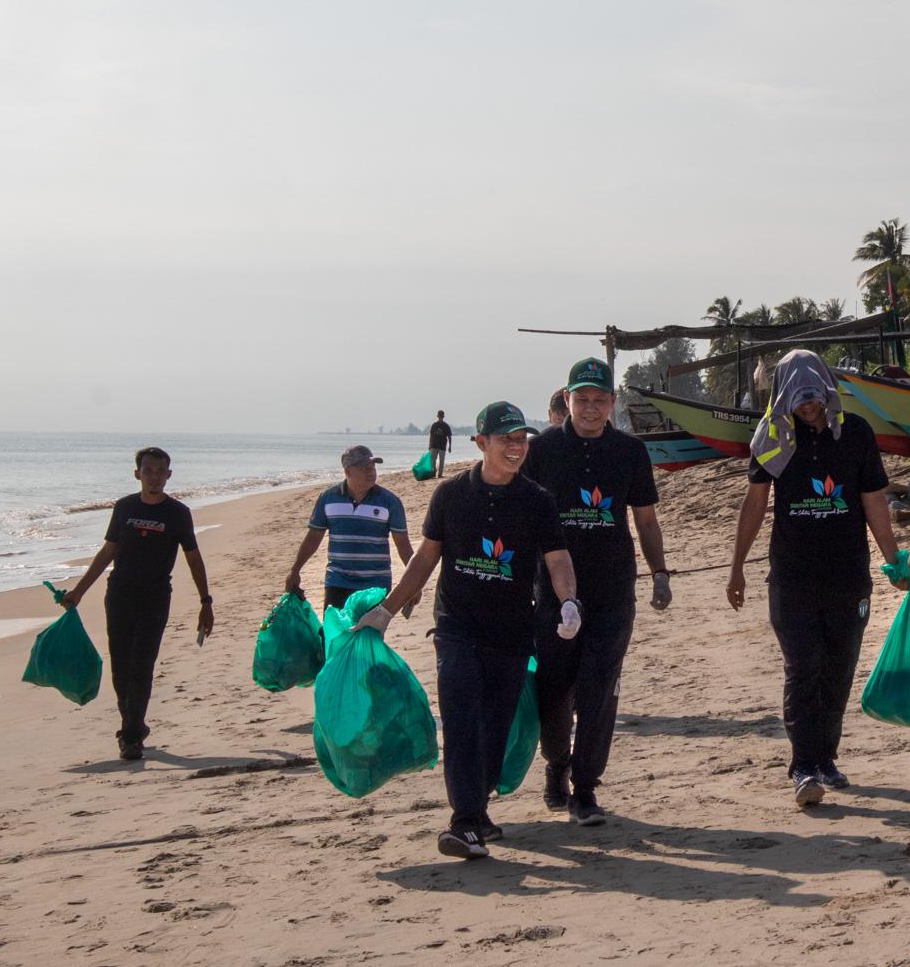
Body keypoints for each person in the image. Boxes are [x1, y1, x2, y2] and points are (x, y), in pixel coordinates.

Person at [352, 402, 581, 860]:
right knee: (460, 723)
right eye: (506, 440)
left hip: (512, 633)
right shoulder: (451, 495)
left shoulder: (536, 500)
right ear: (481, 443)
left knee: (495, 727)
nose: (516, 448)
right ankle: (465, 822)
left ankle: (476, 813)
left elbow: (557, 559)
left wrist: (569, 601)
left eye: (521, 439)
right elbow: (425, 558)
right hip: (456, 628)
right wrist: (387, 610)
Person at [726, 350, 908, 807]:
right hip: (792, 577)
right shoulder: (771, 437)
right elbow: (754, 504)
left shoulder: (856, 434)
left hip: (849, 576)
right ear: (784, 397)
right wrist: (737, 566)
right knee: (802, 667)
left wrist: (893, 561)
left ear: (828, 392)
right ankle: (803, 766)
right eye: (799, 401)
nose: (809, 409)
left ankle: (826, 757)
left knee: (839, 668)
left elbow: (872, 501)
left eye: (815, 400)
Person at [524, 357, 672, 826]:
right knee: (553, 693)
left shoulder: (629, 451)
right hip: (550, 594)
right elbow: (520, 517)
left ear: (612, 403)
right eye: (581, 399)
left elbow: (645, 519)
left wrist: (660, 573)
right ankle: (556, 766)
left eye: (599, 400)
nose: (590, 408)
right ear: (566, 400)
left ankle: (585, 788)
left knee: (599, 690)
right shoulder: (542, 450)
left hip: (612, 590)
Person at [61, 447, 212, 761]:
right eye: (148, 471)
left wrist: (205, 601)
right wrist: (78, 591)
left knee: (141, 666)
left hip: (155, 598)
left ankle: (130, 737)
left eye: (160, 472)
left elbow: (194, 558)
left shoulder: (178, 513)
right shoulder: (124, 507)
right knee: (120, 668)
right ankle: (134, 724)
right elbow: (108, 552)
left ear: (169, 475)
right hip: (119, 595)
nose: (154, 477)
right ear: (137, 474)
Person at [285, 446, 412, 612]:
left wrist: (413, 585)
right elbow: (313, 537)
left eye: (373, 467)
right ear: (348, 471)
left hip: (376, 584)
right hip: (338, 581)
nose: (371, 472)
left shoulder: (390, 502)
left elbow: (403, 545)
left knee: (368, 636)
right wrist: (295, 570)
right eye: (364, 468)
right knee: (334, 635)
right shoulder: (328, 498)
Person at [428, 411, 454, 478]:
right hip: (434, 445)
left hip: (442, 446)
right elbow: (431, 435)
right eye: (439, 416)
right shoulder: (434, 425)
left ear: (443, 417)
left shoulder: (446, 426)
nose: (440, 418)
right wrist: (430, 445)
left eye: (441, 416)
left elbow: (449, 437)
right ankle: (433, 472)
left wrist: (450, 447)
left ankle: (440, 474)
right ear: (438, 417)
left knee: (441, 460)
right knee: (432, 460)